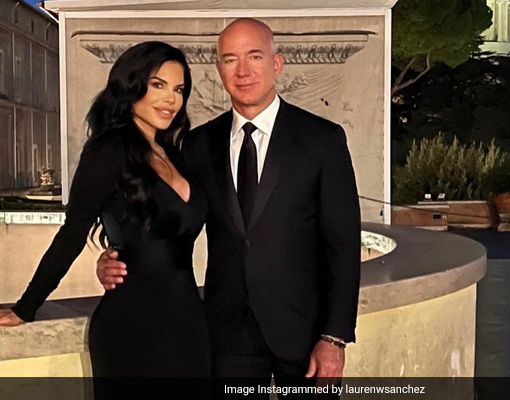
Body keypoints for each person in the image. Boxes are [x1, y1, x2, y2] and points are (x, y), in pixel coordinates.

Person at [98, 18, 361, 396]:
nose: (242, 71)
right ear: (219, 68)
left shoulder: (322, 140)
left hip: (305, 333)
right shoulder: (197, 145)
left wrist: (334, 337)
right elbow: (166, 218)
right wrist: (118, 254)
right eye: (230, 59)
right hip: (227, 334)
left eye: (254, 56)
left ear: (277, 64)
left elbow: (343, 245)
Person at [0, 42, 211, 381]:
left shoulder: (175, 153)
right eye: (158, 85)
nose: (171, 99)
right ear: (131, 85)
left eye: (179, 89)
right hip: (132, 327)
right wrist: (27, 307)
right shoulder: (107, 151)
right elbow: (72, 233)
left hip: (189, 324)